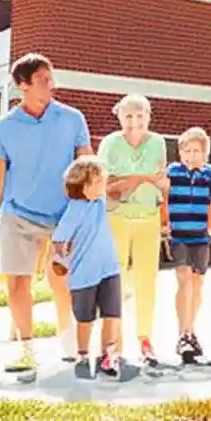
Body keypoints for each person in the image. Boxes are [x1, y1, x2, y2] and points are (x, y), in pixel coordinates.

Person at [0, 53, 89, 374]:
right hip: (17, 214)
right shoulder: (4, 128)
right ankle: (26, 349)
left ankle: (68, 339)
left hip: (62, 216)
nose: (51, 84)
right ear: (23, 85)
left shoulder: (72, 119)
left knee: (62, 280)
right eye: (43, 79)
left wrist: (87, 212)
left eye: (51, 77)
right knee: (17, 284)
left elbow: (86, 166)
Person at [96, 94, 167, 367]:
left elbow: (160, 182)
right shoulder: (110, 143)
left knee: (146, 280)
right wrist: (142, 178)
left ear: (149, 117)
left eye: (140, 116)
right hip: (117, 218)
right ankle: (113, 343)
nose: (134, 122)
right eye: (128, 116)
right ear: (119, 117)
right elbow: (107, 185)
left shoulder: (157, 142)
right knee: (115, 281)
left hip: (148, 217)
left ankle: (145, 339)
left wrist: (129, 182)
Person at [51, 155, 123, 380]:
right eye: (99, 182)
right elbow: (59, 240)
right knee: (85, 319)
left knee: (112, 315)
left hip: (109, 268)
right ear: (85, 186)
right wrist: (60, 262)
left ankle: (108, 355)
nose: (104, 185)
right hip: (84, 274)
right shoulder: (74, 210)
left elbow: (115, 191)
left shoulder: (100, 204)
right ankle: (82, 355)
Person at [161, 126, 211, 362]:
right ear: (180, 152)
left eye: (197, 151)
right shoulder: (173, 171)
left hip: (200, 236)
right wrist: (164, 224)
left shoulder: (209, 174)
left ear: (205, 154)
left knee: (197, 283)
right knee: (184, 277)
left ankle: (191, 329)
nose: (191, 155)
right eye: (187, 150)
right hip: (179, 236)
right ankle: (182, 333)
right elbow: (164, 199)